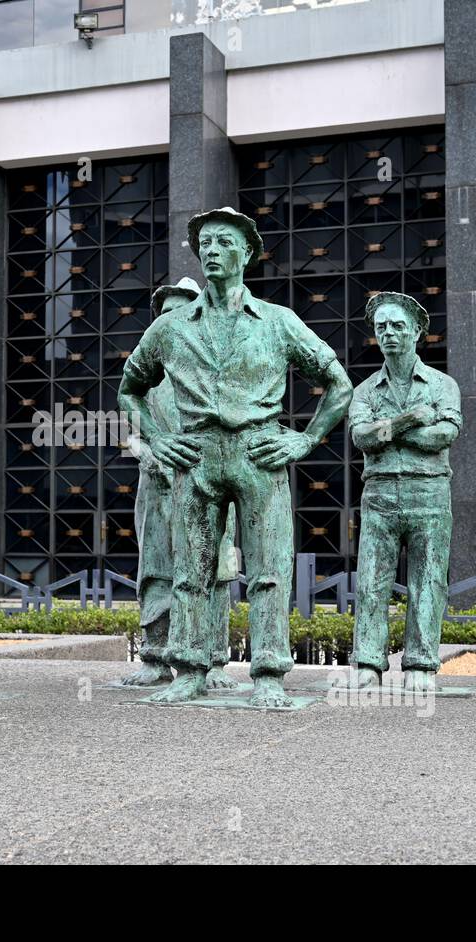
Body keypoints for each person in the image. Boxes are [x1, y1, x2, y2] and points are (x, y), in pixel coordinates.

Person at [119, 208, 352, 707]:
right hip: (196, 455)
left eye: (224, 242)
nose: (211, 251)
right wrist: (158, 439)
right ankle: (189, 669)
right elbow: (130, 390)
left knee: (269, 569)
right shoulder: (172, 327)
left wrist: (305, 441)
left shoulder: (278, 321)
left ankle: (267, 674)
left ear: (247, 253)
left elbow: (339, 385)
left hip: (259, 453)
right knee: (191, 570)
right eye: (204, 242)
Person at [123, 276, 240, 690]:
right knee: (156, 573)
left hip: (209, 486)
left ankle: (214, 661)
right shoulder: (147, 376)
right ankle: (155, 658)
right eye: (164, 312)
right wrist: (149, 454)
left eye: (179, 311)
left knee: (216, 573)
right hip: (157, 490)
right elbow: (132, 433)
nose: (170, 319)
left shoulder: (213, 366)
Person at [348, 292, 460, 692]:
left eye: (397, 325)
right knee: (371, 581)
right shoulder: (364, 391)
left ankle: (421, 664)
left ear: (417, 331)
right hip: (379, 494)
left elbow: (444, 435)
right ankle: (368, 663)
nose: (389, 333)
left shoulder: (443, 385)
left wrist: (388, 432)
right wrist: (410, 419)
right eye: (381, 327)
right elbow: (363, 438)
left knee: (428, 579)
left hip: (429, 492)